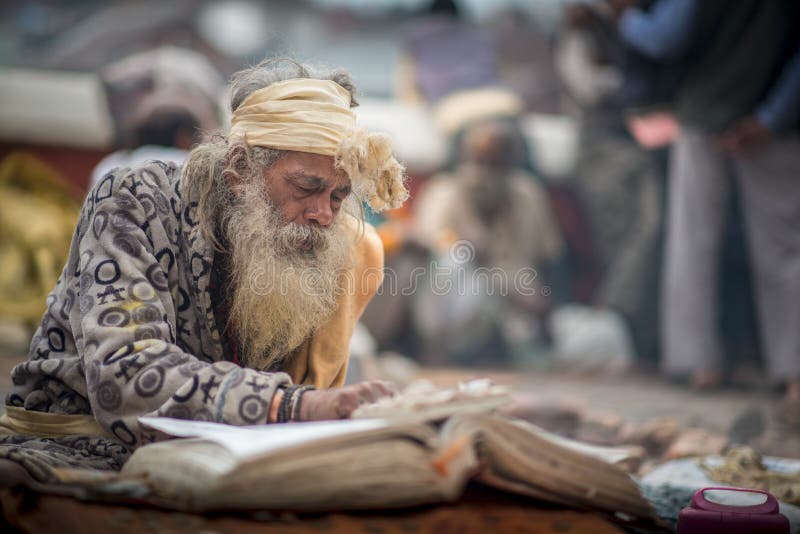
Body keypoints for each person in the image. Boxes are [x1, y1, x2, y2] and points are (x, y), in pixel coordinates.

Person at [0, 59, 409, 480]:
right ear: (239, 170)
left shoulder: (334, 247)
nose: (323, 213)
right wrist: (290, 406)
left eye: (338, 197)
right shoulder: (134, 200)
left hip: (227, 453)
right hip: (75, 445)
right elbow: (124, 378)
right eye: (306, 188)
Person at [616, 0, 800, 401]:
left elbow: (665, 38)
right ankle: (793, 370)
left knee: (694, 239)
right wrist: (771, 117)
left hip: (705, 112)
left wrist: (627, 16)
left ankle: (698, 361)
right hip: (776, 122)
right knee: (785, 249)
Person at [412, 119, 562, 365]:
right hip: (457, 317)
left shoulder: (528, 195)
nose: (481, 174)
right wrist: (473, 252)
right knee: (455, 259)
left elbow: (549, 261)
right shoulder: (444, 192)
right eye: (476, 161)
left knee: (605, 335)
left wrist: (546, 310)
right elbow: (428, 249)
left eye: (494, 164)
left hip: (523, 317)